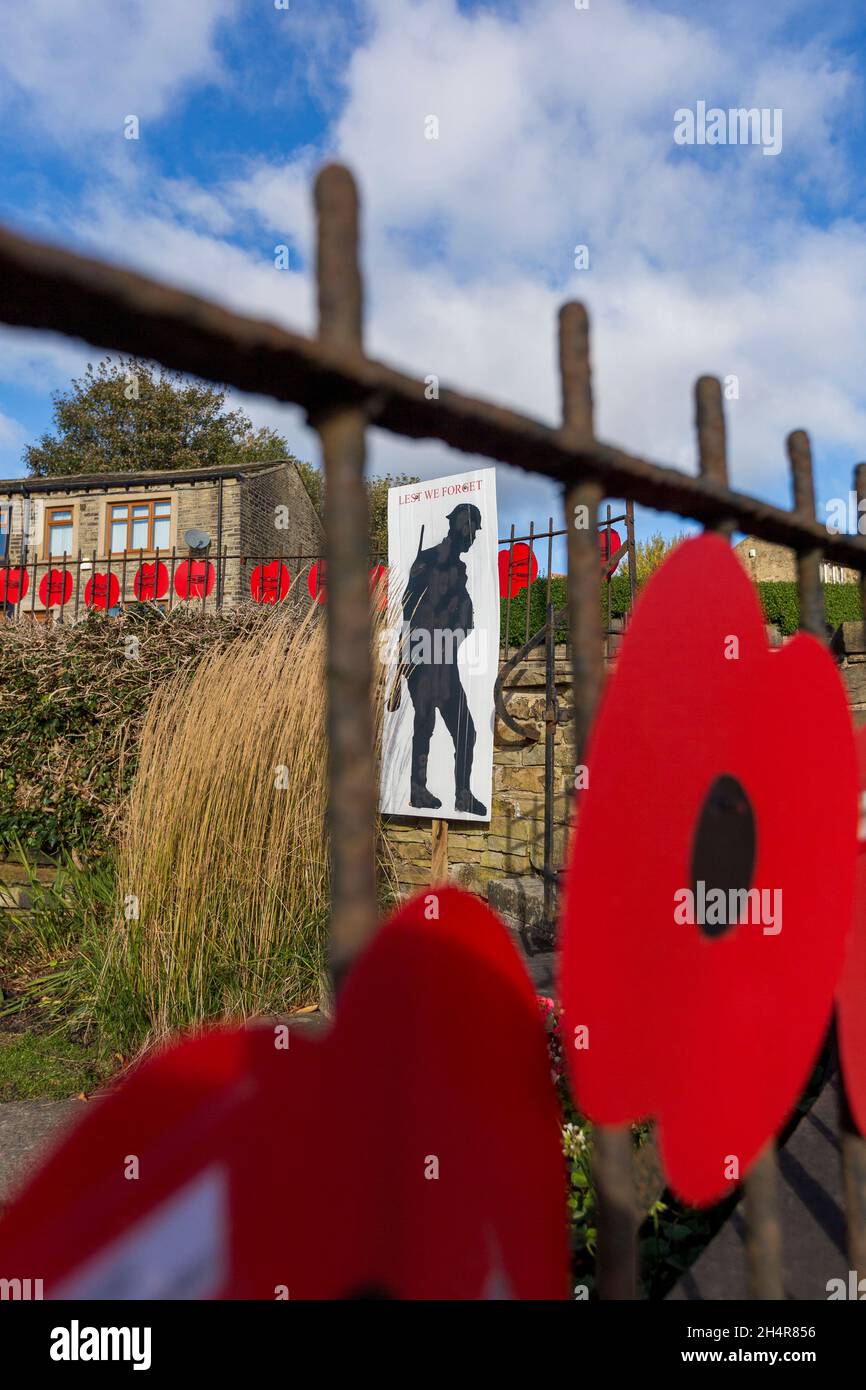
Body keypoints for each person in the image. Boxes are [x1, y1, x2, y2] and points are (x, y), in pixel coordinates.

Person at [401, 502, 487, 816]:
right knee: (425, 722)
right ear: (461, 525)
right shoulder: (427, 559)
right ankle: (418, 789)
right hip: (423, 656)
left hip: (444, 659)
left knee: (466, 731)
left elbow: (464, 617)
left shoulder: (459, 570)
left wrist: (461, 619)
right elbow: (407, 606)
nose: (474, 537)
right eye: (473, 529)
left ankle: (462, 795)